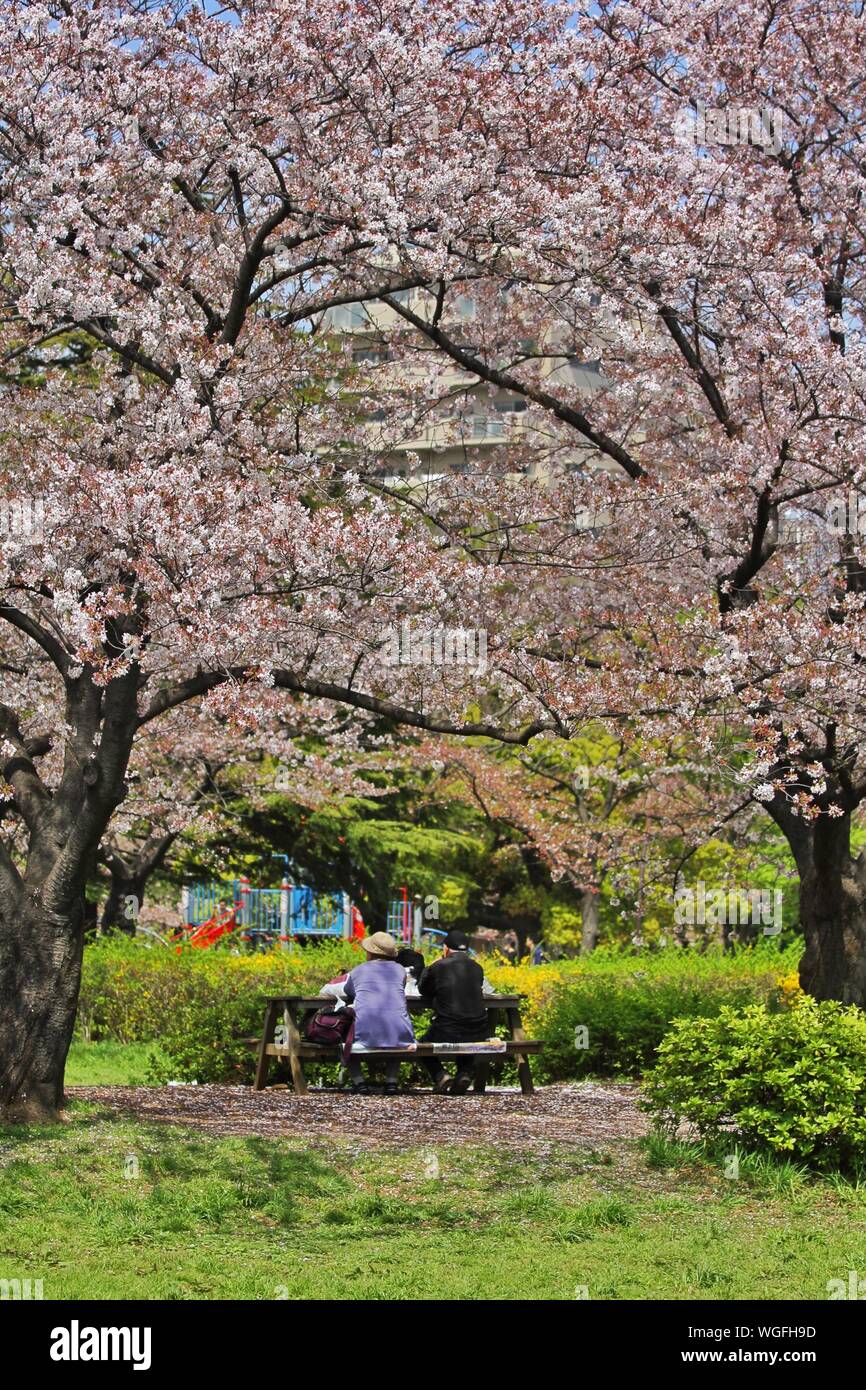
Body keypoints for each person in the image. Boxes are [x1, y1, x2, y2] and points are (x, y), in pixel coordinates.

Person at [418, 929, 495, 1095]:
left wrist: (430, 966)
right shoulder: (477, 968)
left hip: (447, 1029)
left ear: (445, 949)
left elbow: (424, 989)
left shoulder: (438, 967)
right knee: (467, 1032)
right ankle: (464, 1072)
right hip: (478, 1029)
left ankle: (441, 1075)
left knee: (422, 1044)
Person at [342, 932, 416, 1095]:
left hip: (366, 1033)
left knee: (346, 1037)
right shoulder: (399, 970)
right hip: (400, 1034)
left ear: (370, 953)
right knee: (396, 1030)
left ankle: (359, 1082)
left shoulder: (358, 970)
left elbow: (348, 990)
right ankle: (391, 1082)